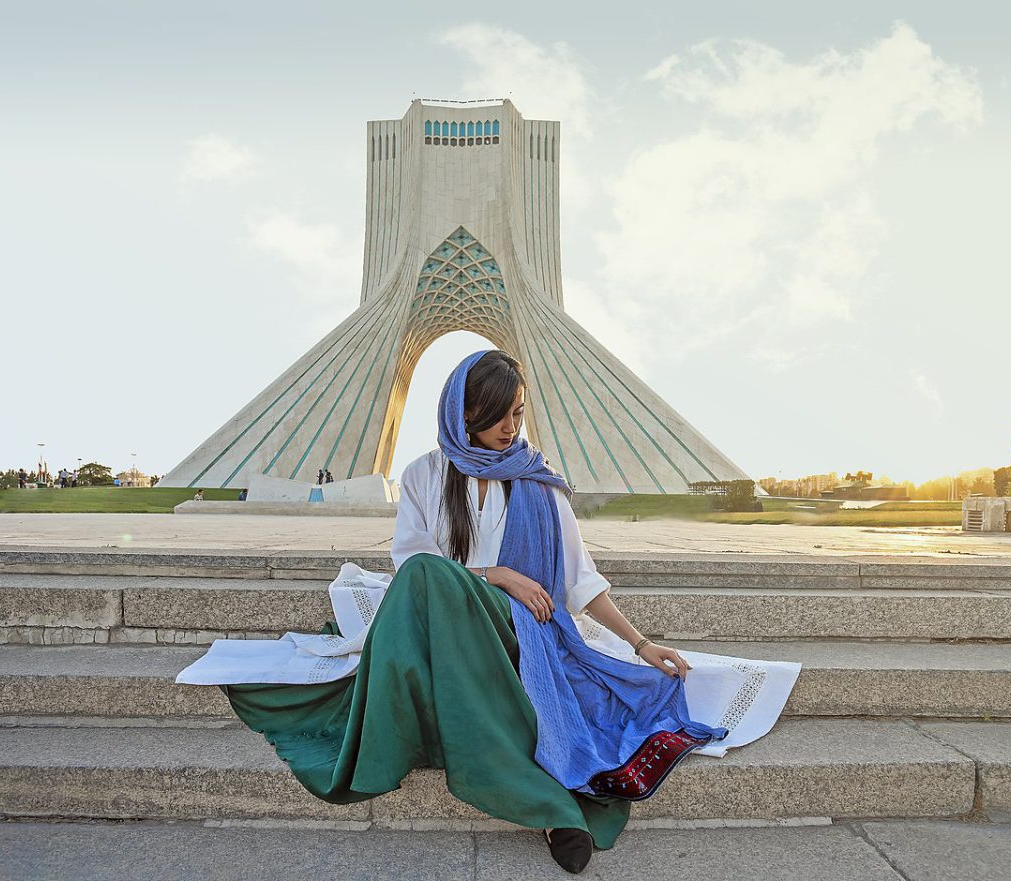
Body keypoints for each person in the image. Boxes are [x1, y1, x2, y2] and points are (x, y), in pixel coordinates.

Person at [212, 350, 743, 874]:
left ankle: (535, 789)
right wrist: (498, 575)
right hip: (446, 618)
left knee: (433, 581)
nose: (512, 426)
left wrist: (641, 644)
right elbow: (412, 566)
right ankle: (545, 803)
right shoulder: (424, 475)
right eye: (499, 412)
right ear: (465, 412)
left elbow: (580, 580)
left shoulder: (537, 481)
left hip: (521, 630)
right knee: (426, 576)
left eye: (518, 412)